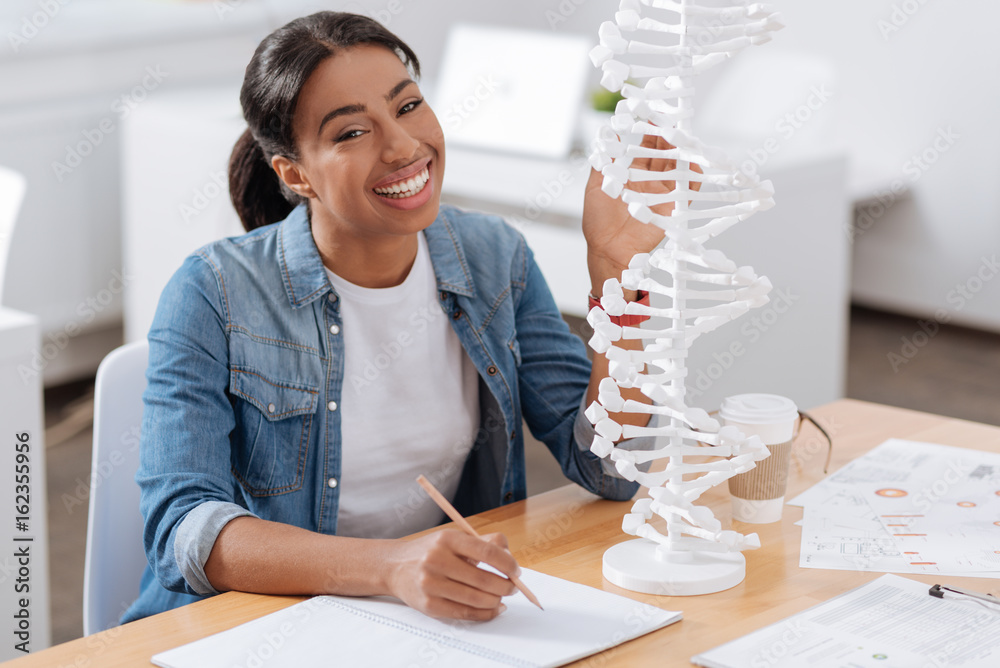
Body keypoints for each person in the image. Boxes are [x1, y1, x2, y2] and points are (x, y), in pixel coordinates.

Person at [122, 11, 692, 625]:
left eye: (409, 106)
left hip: (425, 622)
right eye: (350, 133)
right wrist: (390, 567)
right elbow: (183, 530)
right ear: (294, 173)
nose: (401, 147)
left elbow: (610, 470)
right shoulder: (211, 292)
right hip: (254, 628)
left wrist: (618, 275)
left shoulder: (495, 258)